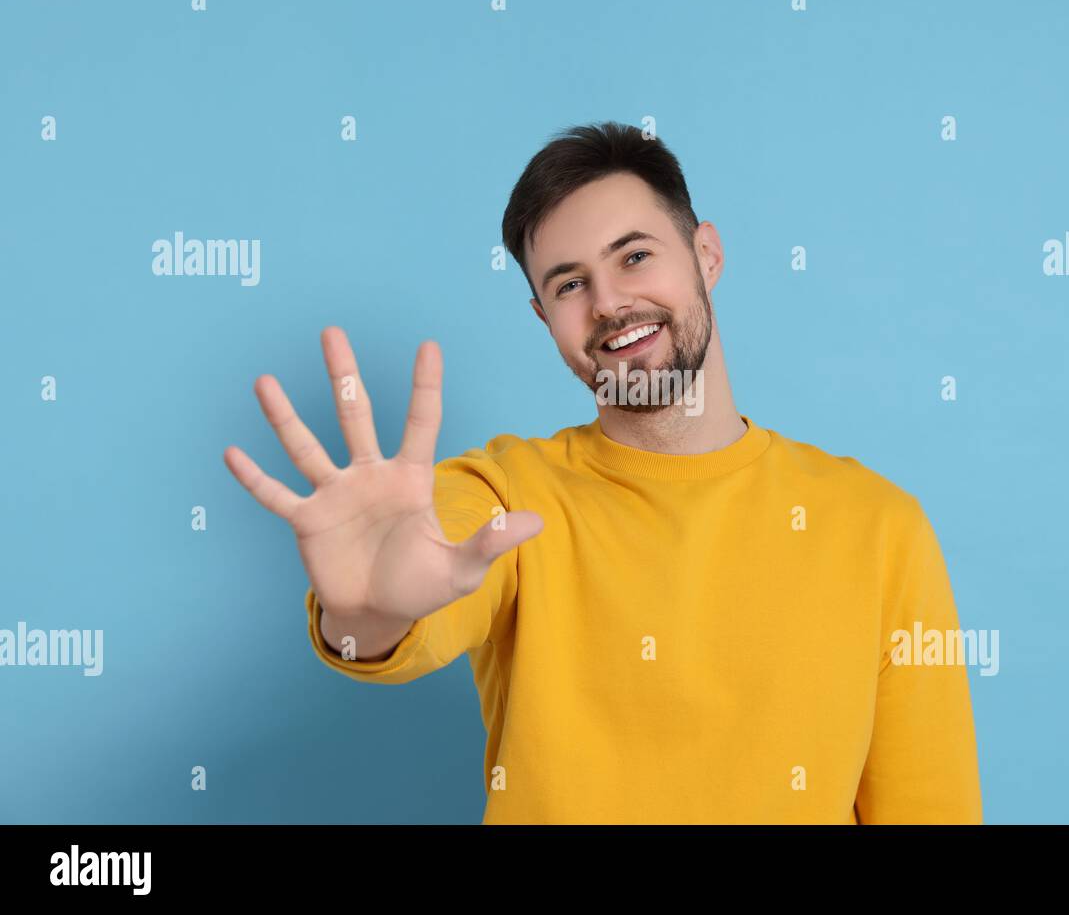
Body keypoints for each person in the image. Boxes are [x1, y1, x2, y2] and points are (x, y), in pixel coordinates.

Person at [223, 121, 983, 824]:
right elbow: (424, 585)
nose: (611, 302)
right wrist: (363, 612)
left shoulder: (879, 525)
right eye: (569, 283)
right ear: (544, 317)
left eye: (635, 255)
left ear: (707, 255)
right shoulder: (504, 495)